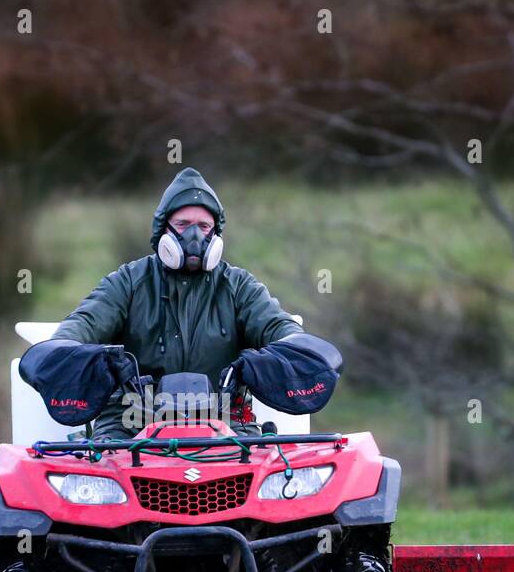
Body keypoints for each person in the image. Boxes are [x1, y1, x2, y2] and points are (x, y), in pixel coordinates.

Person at [22, 167, 342, 439]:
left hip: (227, 420)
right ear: (163, 230)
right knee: (96, 495)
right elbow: (83, 325)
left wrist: (285, 350)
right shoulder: (129, 281)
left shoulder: (239, 286)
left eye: (204, 227)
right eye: (183, 224)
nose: (194, 236)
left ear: (216, 233)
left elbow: (278, 327)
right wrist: (85, 354)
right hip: (129, 423)